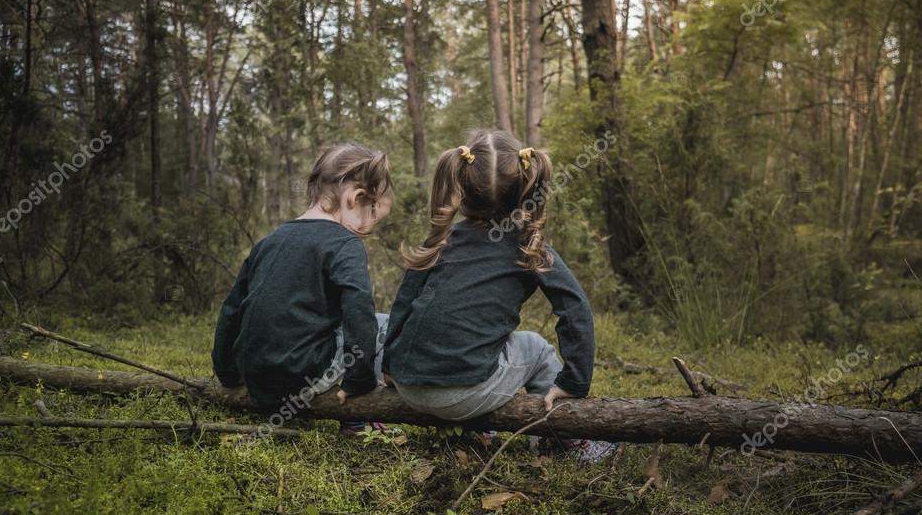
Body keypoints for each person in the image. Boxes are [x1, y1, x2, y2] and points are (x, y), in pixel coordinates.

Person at [382, 130, 618, 463]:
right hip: (465, 394)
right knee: (535, 347)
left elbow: (404, 302)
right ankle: (568, 440)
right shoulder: (529, 246)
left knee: (457, 333)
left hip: (408, 387)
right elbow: (575, 307)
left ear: (461, 186)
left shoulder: (442, 240)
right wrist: (575, 382)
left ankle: (475, 426)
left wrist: (390, 365)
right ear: (525, 190)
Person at [211, 143, 395, 436]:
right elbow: (359, 313)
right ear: (356, 197)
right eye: (371, 217)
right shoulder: (344, 244)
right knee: (386, 324)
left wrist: (227, 373)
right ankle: (357, 417)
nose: (367, 230)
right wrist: (359, 384)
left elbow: (232, 309)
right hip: (301, 377)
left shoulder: (269, 241)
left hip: (256, 378)